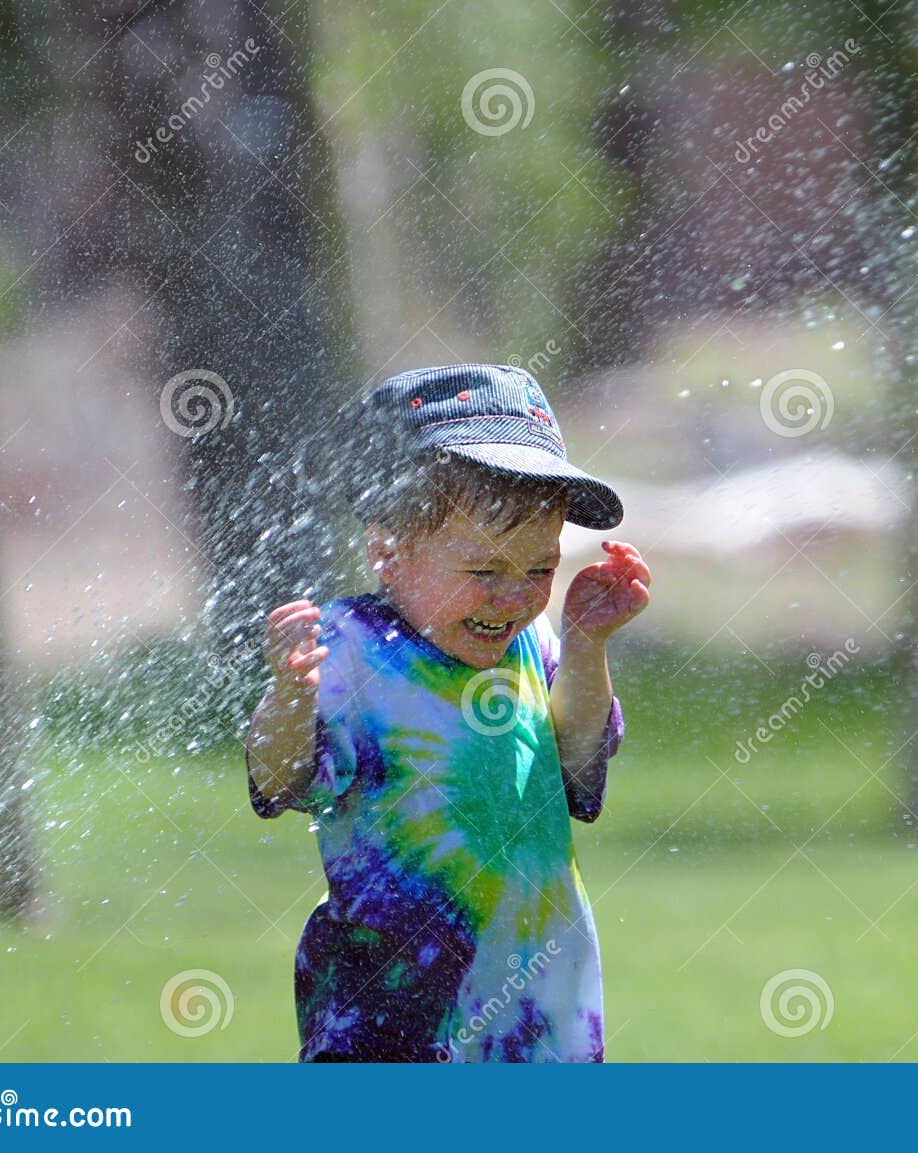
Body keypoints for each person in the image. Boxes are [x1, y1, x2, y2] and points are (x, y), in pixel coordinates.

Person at [245, 363, 650, 1062]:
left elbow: (576, 759)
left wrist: (586, 644)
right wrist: (290, 695)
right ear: (387, 551)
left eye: (538, 569)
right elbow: (279, 779)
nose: (512, 597)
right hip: (396, 1017)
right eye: (485, 571)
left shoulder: (532, 644)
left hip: (539, 1018)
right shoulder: (352, 650)